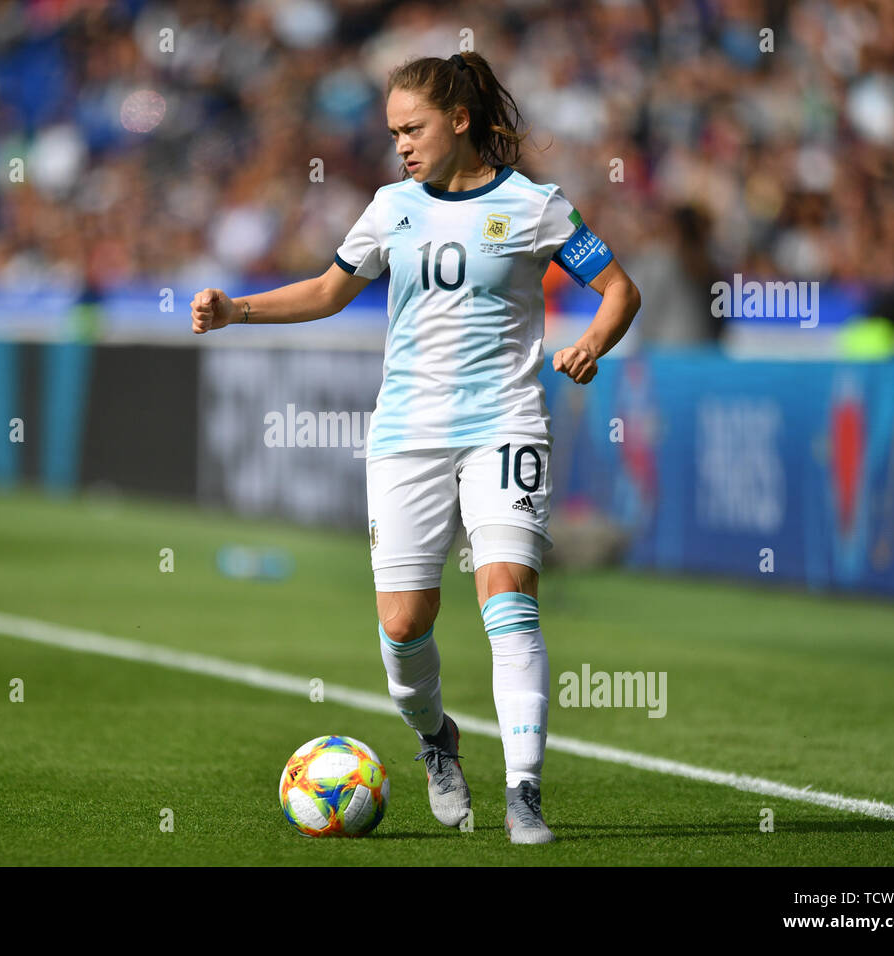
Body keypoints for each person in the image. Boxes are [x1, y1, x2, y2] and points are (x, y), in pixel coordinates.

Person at [191, 52, 640, 844]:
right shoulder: (391, 206)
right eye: (394, 129)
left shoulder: (535, 207)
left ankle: (527, 792)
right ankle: (439, 742)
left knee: (509, 598)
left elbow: (619, 289)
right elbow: (330, 291)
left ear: (458, 122)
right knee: (403, 625)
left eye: (413, 127)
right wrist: (238, 310)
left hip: (505, 423)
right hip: (407, 437)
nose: (399, 142)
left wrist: (594, 343)